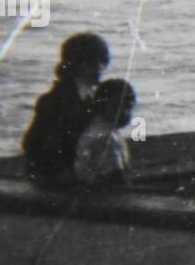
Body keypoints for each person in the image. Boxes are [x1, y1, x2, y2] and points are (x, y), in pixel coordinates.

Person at [22, 32, 109, 186]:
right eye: (92, 62)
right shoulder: (55, 101)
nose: (100, 68)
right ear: (76, 65)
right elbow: (33, 145)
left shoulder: (90, 96)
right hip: (59, 180)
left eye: (103, 62)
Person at [74, 79, 136, 186]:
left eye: (128, 107)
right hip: (100, 197)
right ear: (101, 106)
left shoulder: (99, 128)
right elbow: (118, 183)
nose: (124, 112)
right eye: (117, 106)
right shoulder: (106, 139)